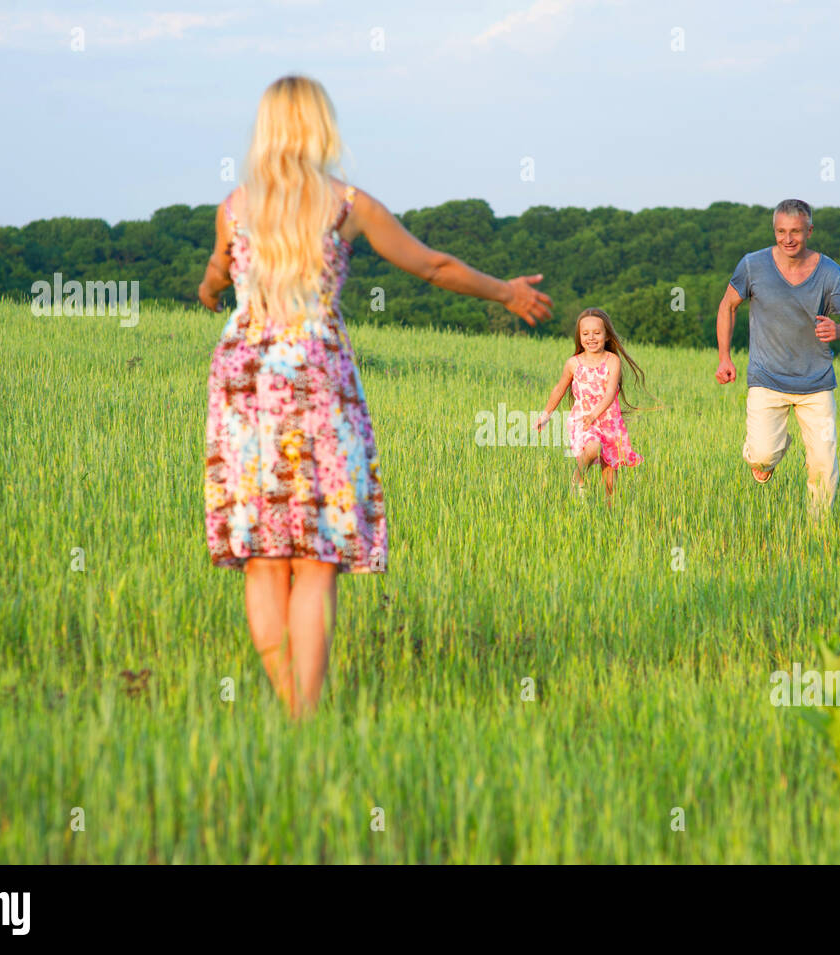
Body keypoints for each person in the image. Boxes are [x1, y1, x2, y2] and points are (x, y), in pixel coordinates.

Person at [198, 75, 552, 718]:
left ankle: (288, 713)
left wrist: (214, 285)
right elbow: (432, 266)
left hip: (246, 383)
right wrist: (506, 291)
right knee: (316, 556)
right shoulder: (346, 203)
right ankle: (306, 718)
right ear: (319, 129)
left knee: (263, 557)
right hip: (315, 375)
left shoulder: (234, 206)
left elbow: (217, 275)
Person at [714, 198, 840, 516]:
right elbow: (728, 305)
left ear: (809, 231)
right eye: (781, 231)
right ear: (774, 231)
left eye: (795, 231)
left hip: (817, 384)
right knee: (762, 456)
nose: (788, 239)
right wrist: (725, 358)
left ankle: (818, 531)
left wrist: (839, 331)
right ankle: (772, 453)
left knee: (823, 463)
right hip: (766, 379)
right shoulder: (753, 266)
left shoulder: (830, 273)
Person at [536, 307, 644, 502]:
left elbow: (611, 393)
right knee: (593, 447)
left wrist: (596, 414)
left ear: (607, 336)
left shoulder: (612, 361)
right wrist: (546, 414)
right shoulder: (573, 363)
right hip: (584, 419)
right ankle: (578, 475)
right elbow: (559, 389)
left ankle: (609, 512)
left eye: (597, 333)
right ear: (579, 336)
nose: (591, 338)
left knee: (610, 477)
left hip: (609, 420)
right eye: (585, 333)